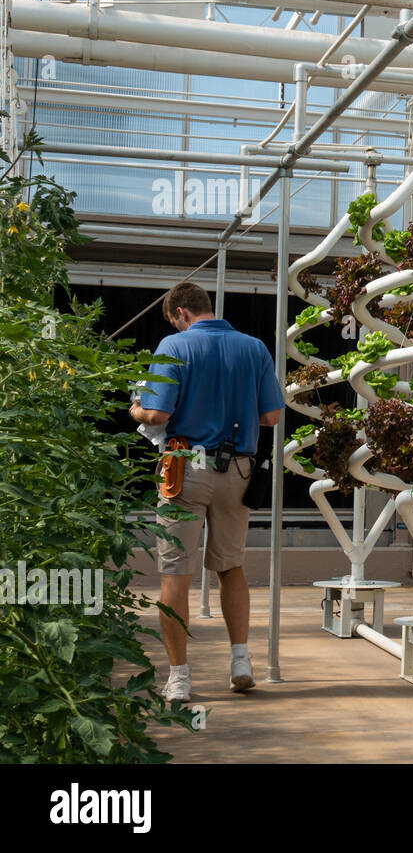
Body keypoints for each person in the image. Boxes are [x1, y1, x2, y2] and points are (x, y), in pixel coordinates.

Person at [130, 282, 284, 703]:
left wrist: (136, 407)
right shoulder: (254, 348)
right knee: (230, 567)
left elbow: (158, 412)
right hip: (238, 472)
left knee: (175, 573)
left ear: (180, 313)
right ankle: (240, 660)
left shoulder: (175, 347)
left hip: (186, 469)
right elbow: (271, 415)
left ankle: (179, 677)